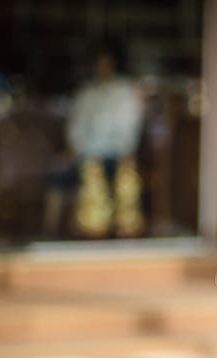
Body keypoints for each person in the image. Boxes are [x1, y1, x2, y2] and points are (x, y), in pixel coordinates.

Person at [43, 43, 144, 238]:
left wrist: (124, 149)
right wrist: (78, 150)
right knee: (86, 179)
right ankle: (89, 229)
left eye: (106, 63)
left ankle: (124, 228)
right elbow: (75, 127)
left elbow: (130, 125)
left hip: (118, 153)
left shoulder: (124, 92)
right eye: (99, 64)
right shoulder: (85, 94)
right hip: (88, 155)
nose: (102, 68)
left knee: (126, 184)